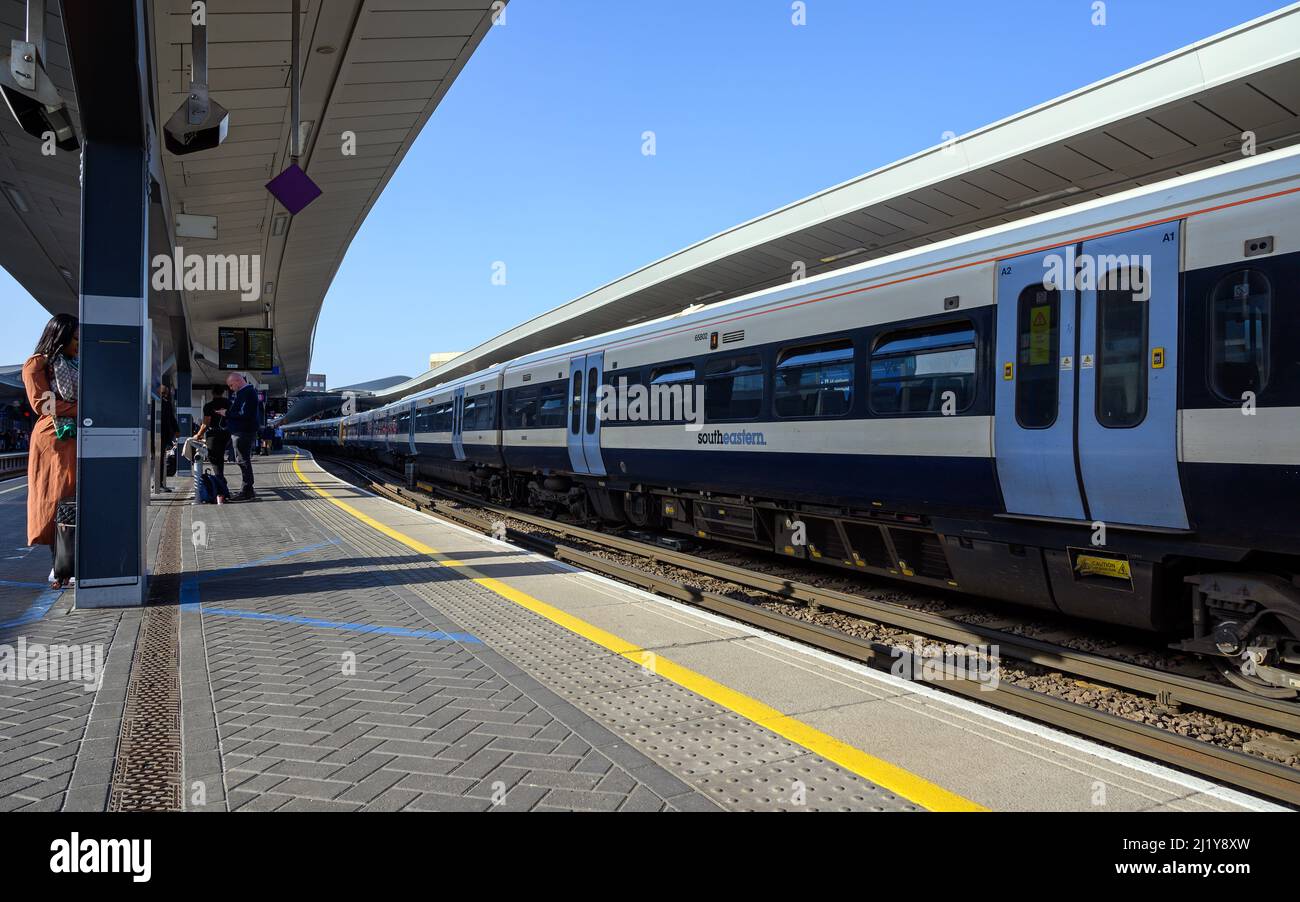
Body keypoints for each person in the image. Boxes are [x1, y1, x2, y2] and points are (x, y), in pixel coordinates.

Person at [22, 313, 78, 589]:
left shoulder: (74, 363)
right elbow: (43, 406)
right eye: (75, 338)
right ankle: (60, 566)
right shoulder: (37, 365)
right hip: (53, 440)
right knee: (57, 500)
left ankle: (71, 564)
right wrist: (86, 409)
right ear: (62, 337)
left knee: (75, 499)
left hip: (77, 436)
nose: (79, 344)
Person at [223, 372, 261, 501]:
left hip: (243, 431)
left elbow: (244, 414)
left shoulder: (247, 393)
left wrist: (227, 413)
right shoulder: (244, 393)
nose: (231, 388)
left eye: (231, 385)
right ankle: (247, 490)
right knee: (242, 460)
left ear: (238, 381)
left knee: (243, 461)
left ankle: (247, 491)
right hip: (242, 431)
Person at [194, 385, 230, 478]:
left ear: (213, 393)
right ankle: (220, 479)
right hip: (226, 434)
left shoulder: (209, 406)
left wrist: (198, 435)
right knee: (220, 457)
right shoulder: (229, 403)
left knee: (214, 459)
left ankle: (220, 483)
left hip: (213, 435)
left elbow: (206, 424)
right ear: (222, 393)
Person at [156, 383, 179, 493]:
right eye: (165, 392)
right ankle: (158, 483)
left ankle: (158, 483)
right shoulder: (165, 404)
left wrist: (176, 429)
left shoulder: (153, 403)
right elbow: (171, 419)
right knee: (159, 459)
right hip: (161, 435)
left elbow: (171, 419)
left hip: (157, 435)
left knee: (158, 459)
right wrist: (176, 430)